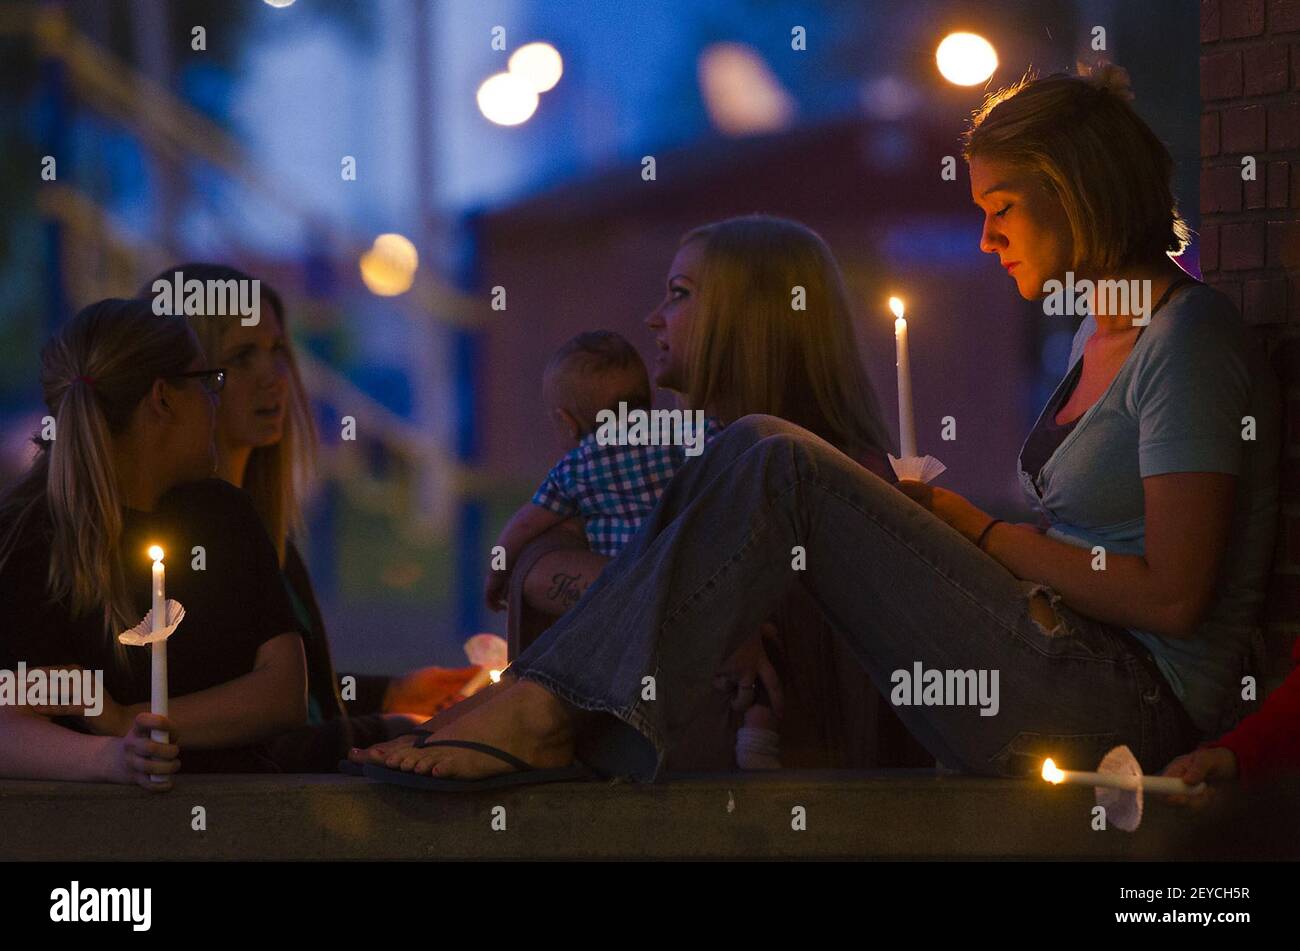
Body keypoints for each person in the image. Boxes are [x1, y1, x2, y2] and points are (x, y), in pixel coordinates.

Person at [351, 63, 1281, 787]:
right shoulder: (1094, 331)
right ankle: (547, 704)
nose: (990, 238)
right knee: (759, 442)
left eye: (1002, 209)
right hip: (1047, 644)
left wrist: (977, 531)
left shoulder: (1187, 340)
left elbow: (1172, 597)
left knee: (780, 457)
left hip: (1125, 700)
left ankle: (549, 711)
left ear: (1075, 194)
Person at [138, 264, 480, 769]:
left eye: (278, 351)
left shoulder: (262, 527)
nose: (272, 378)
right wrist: (401, 729)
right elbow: (251, 740)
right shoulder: (185, 547)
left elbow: (303, 698)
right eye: (239, 357)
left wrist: (395, 693)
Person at [0, 299, 307, 789]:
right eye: (208, 383)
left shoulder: (223, 515)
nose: (215, 402)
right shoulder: (25, 539)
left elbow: (283, 693)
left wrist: (128, 719)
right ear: (162, 399)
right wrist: (112, 757)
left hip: (243, 819)